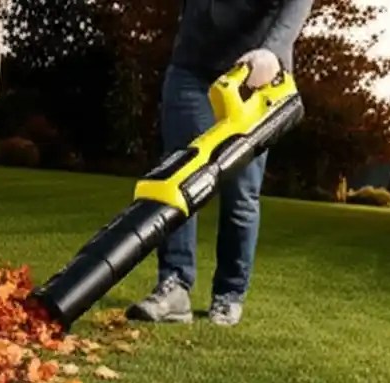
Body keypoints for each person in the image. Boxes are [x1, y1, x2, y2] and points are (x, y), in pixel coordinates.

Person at [126, 0, 314, 326]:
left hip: (254, 72)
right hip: (192, 65)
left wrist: (273, 50)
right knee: (177, 175)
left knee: (240, 193)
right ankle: (174, 287)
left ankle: (229, 295)